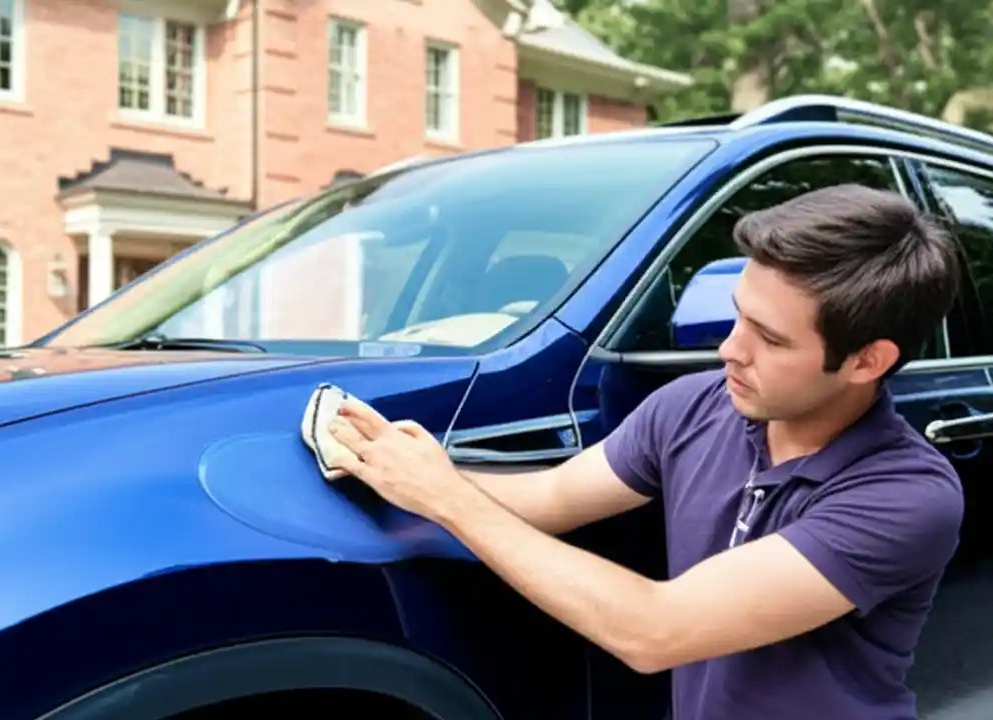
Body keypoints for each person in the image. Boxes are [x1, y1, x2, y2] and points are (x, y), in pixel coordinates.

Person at [326, 183, 965, 720]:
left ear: (866, 361)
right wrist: (406, 467)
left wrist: (446, 499)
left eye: (768, 338)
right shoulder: (693, 405)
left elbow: (653, 631)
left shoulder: (905, 495)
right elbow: (552, 497)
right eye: (739, 315)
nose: (729, 350)